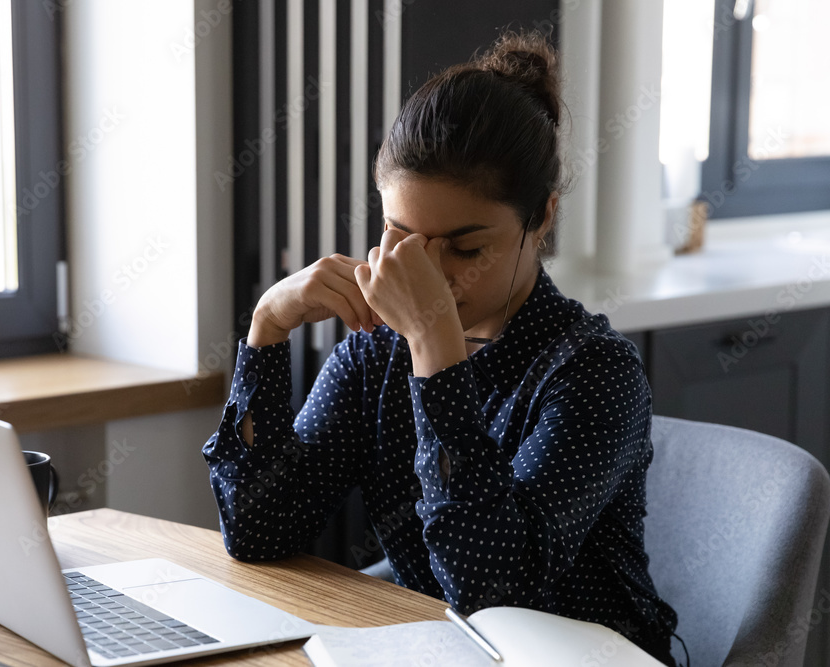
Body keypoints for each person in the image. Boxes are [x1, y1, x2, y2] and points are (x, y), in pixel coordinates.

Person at [203, 31, 681, 666]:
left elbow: (492, 591)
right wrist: (265, 329)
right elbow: (258, 532)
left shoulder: (593, 372)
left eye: (465, 248)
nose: (426, 274)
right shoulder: (377, 356)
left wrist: (435, 348)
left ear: (542, 218)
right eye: (401, 236)